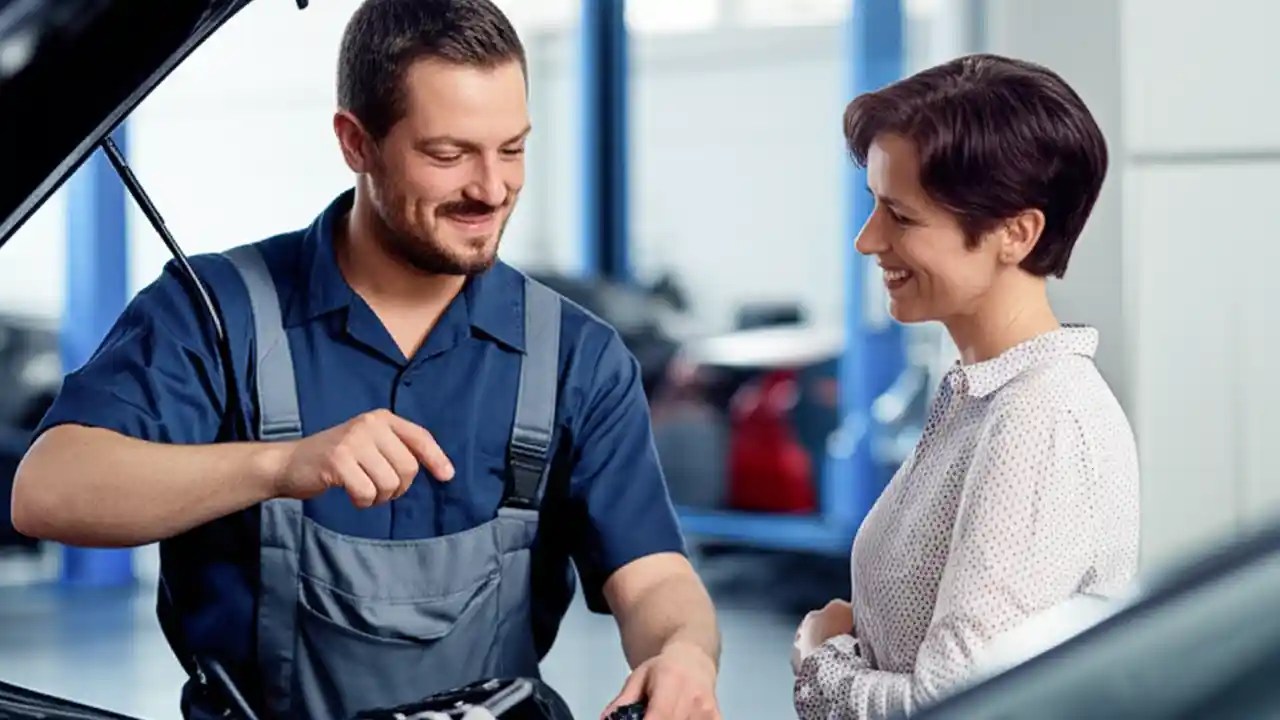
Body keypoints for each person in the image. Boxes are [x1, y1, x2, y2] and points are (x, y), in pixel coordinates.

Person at [10, 2, 721, 719]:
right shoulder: (217, 315)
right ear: (356, 142)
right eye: (448, 154)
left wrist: (683, 653)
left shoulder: (576, 357)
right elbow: (48, 491)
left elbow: (655, 577)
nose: (492, 188)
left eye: (512, 148)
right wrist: (279, 466)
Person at [790, 53, 1140, 719]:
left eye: (901, 215)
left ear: (1016, 232)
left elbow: (958, 708)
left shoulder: (1040, 421)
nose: (868, 240)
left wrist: (818, 662)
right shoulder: (987, 400)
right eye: (873, 205)